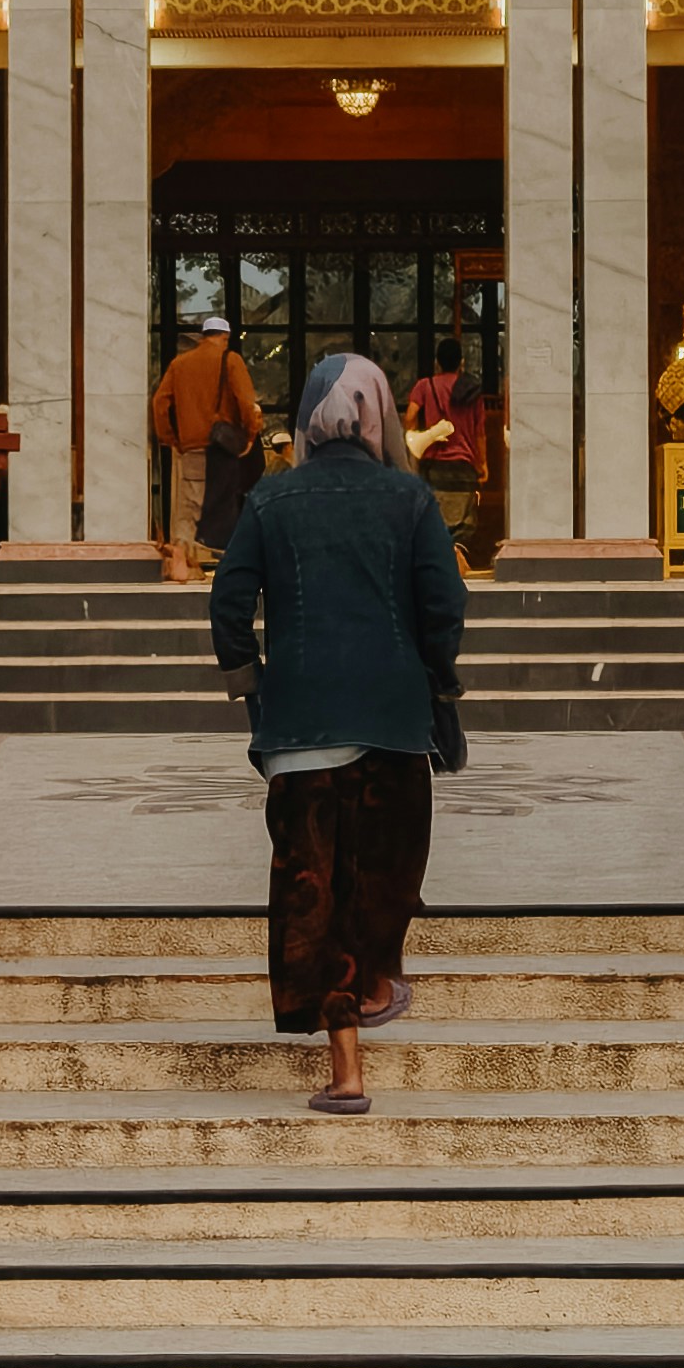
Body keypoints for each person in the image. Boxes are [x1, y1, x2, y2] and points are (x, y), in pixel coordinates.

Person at [210, 350, 464, 1114]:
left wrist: (252, 686)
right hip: (392, 723)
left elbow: (228, 604)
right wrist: (439, 682)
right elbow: (444, 608)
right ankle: (379, 980)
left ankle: (346, 1071)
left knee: (311, 890)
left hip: (301, 726)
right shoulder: (409, 501)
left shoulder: (269, 501)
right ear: (381, 414)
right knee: (379, 882)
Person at [148, 313, 261, 580]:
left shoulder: (180, 364)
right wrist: (249, 436)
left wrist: (171, 438)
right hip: (221, 448)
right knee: (224, 503)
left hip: (191, 446)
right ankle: (229, 563)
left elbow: (160, 403)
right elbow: (246, 402)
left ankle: (181, 559)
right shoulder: (230, 360)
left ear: (203, 336)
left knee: (189, 504)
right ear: (224, 337)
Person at [403, 331, 488, 562]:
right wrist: (482, 464)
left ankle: (438, 566)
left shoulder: (425, 386)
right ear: (462, 362)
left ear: (437, 363)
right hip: (464, 466)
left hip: (433, 466)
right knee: (462, 527)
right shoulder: (472, 391)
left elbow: (410, 417)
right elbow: (480, 433)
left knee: (434, 521)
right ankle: (457, 560)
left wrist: (422, 434)